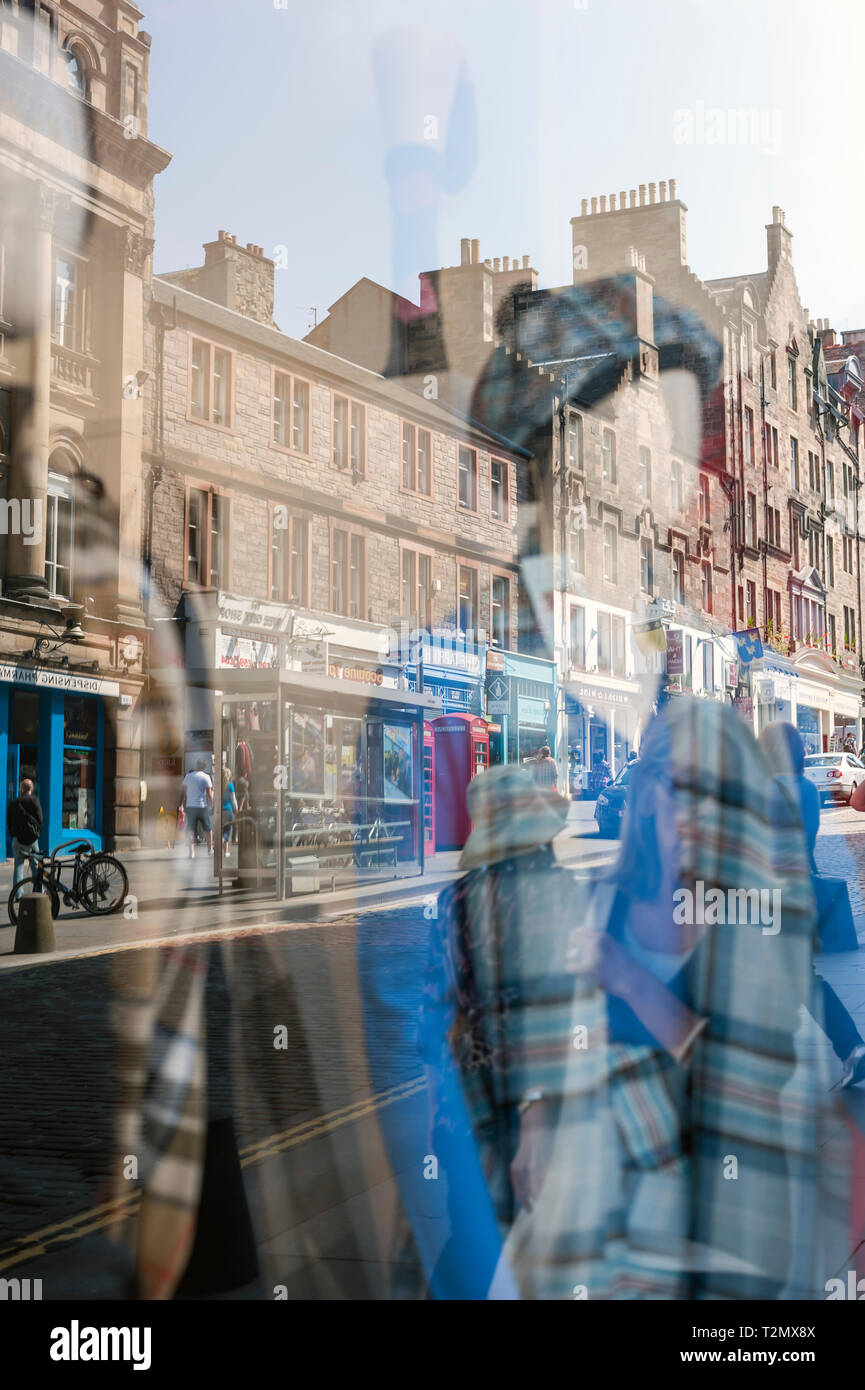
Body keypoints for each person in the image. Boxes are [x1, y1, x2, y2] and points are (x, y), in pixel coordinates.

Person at [7, 778, 43, 887]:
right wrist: (36, 834)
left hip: (18, 840)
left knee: (18, 866)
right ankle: (38, 891)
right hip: (32, 840)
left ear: (21, 789)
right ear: (31, 789)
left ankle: (18, 894)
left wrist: (14, 834)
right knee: (35, 866)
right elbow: (40, 820)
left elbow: (9, 821)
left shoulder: (14, 803)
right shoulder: (35, 801)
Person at [180, 758, 214, 859]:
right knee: (208, 828)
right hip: (202, 806)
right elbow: (209, 794)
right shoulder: (206, 777)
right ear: (204, 767)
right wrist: (212, 805)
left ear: (196, 765)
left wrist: (181, 805)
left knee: (190, 830)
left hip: (190, 807)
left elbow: (183, 792)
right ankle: (209, 849)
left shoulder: (188, 776)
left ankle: (192, 853)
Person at [221, 766, 238, 852]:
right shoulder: (230, 785)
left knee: (222, 830)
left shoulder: (218, 785)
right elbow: (233, 799)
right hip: (228, 810)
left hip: (220, 812)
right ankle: (222, 840)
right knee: (227, 830)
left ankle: (226, 851)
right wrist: (236, 809)